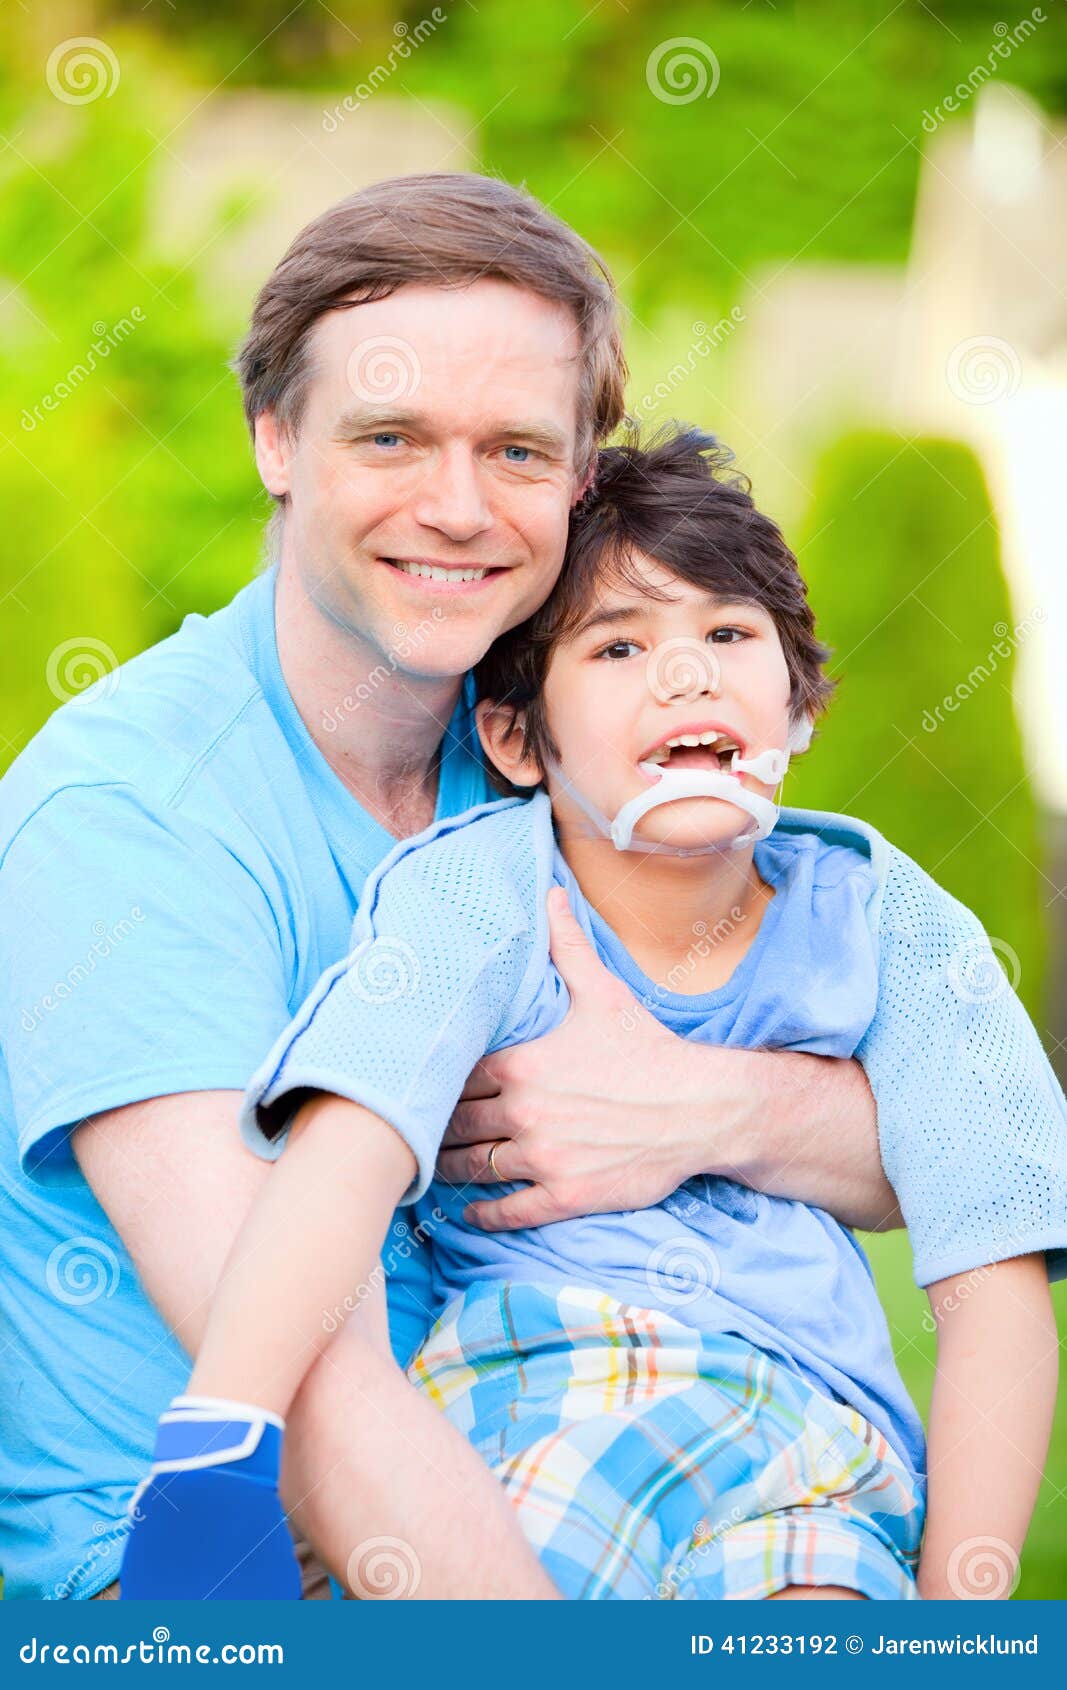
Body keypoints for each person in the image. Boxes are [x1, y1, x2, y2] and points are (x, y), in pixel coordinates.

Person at [0, 174, 900, 1603]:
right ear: (273, 437)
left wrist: (711, 1106)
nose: (457, 507)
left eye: (516, 451)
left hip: (569, 1466)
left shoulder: (557, 754)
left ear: (581, 479)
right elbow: (313, 1393)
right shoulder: (129, 821)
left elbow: (934, 1134)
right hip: (222, 1574)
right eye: (391, 437)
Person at [121, 430, 1065, 1602]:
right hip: (549, 1401)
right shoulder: (478, 891)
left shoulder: (894, 925)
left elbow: (995, 1271)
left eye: (727, 635)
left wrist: (957, 1604)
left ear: (801, 701)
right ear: (517, 739)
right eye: (619, 645)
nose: (686, 675)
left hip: (816, 1446)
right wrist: (222, 1440)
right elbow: (341, 1157)